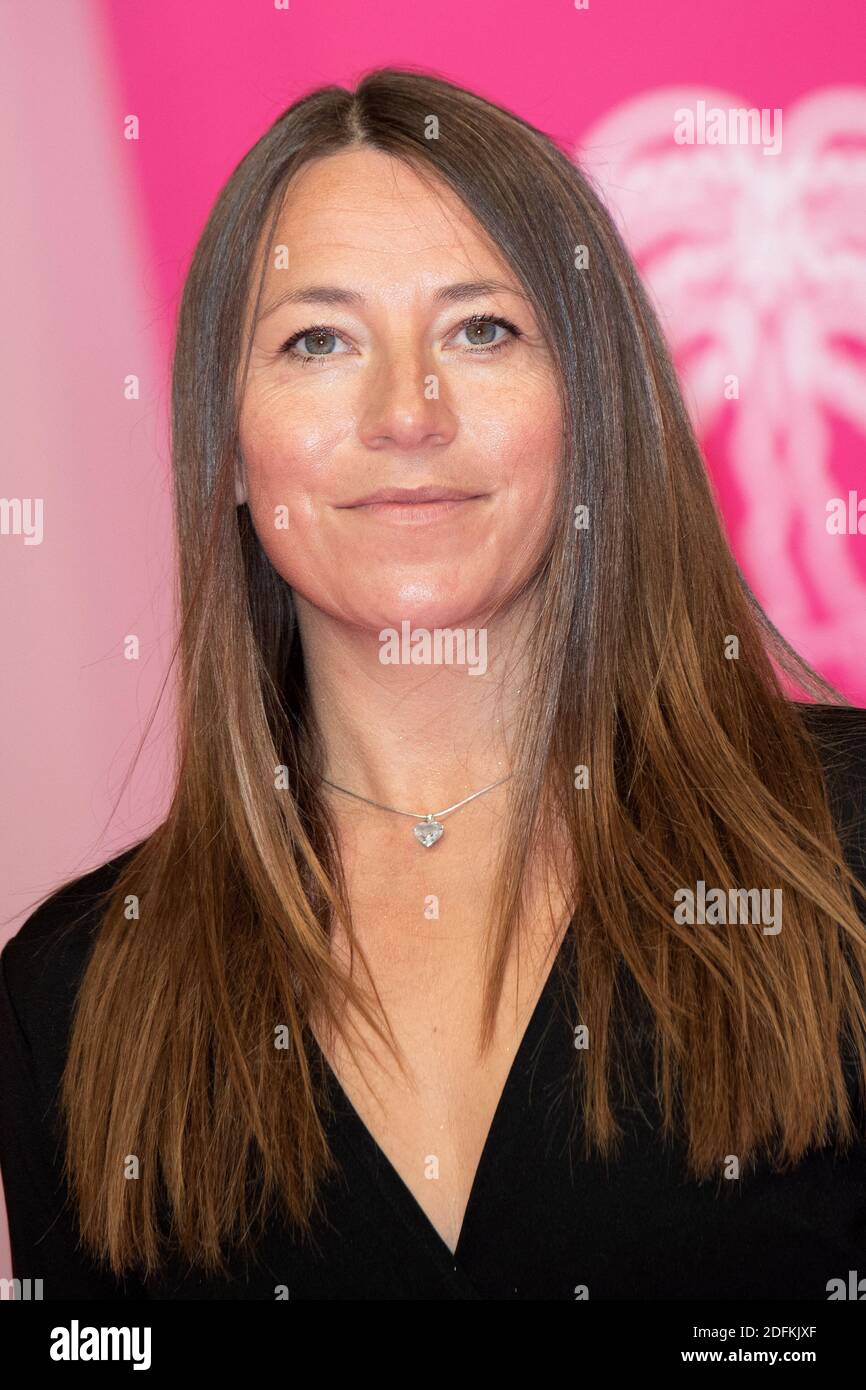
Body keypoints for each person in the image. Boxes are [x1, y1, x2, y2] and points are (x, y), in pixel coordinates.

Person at [2, 67, 866, 1301]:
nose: (407, 411)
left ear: (589, 408)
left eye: (480, 329)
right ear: (230, 444)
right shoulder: (74, 994)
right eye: (317, 340)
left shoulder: (838, 852)